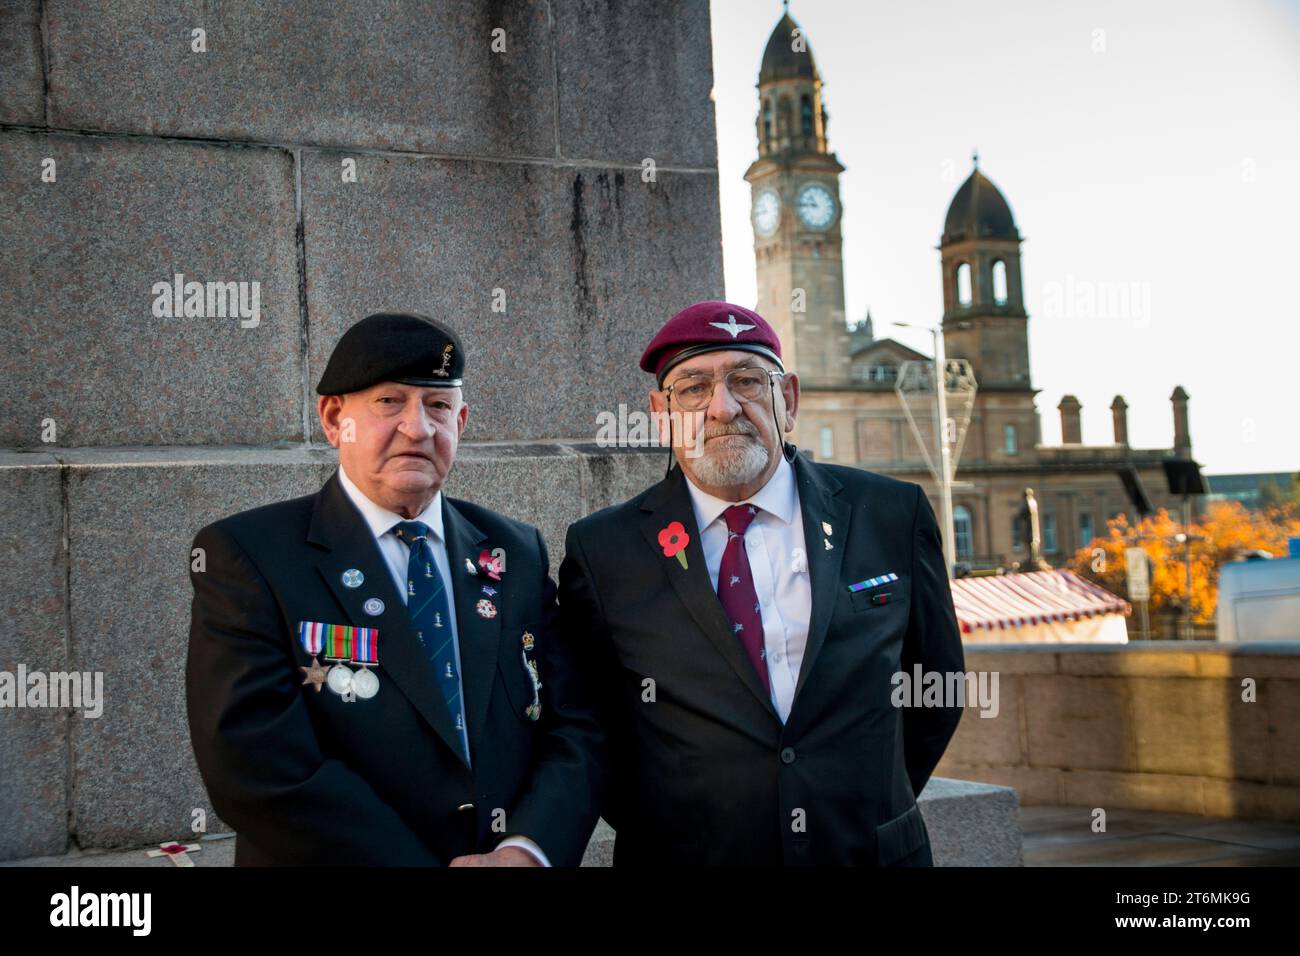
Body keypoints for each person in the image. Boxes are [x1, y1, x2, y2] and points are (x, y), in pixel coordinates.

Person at [186, 312, 603, 865]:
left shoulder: (513, 552)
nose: (419, 427)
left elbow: (575, 723)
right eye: (389, 402)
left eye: (438, 406)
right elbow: (255, 766)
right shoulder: (251, 556)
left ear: (462, 421)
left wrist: (527, 850)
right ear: (335, 420)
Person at [559, 300, 964, 866]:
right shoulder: (604, 551)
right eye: (694, 388)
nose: (724, 408)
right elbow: (588, 728)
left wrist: (865, 803)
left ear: (788, 400)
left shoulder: (891, 514)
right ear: (660, 414)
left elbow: (937, 689)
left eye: (747, 380)